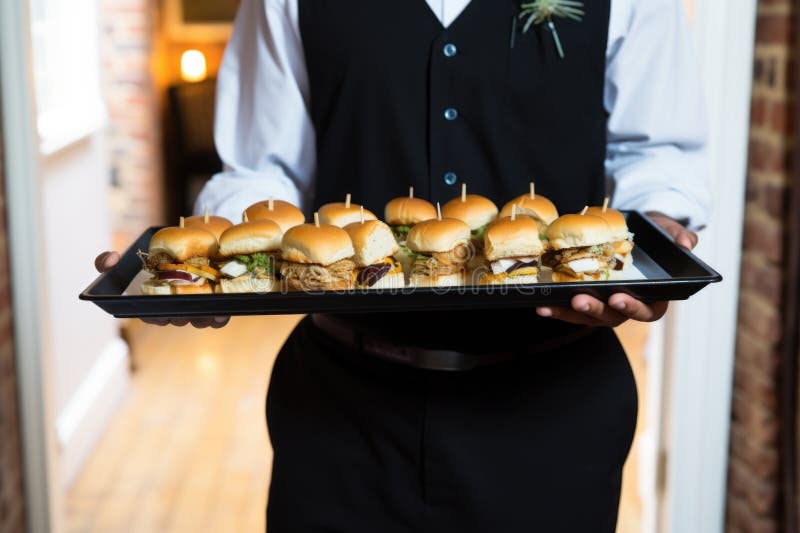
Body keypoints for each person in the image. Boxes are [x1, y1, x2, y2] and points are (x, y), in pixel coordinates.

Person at [96, 0, 709, 530]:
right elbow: (259, 168)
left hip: (555, 412)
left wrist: (658, 236)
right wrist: (211, 267)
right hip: (338, 415)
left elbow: (659, 157)